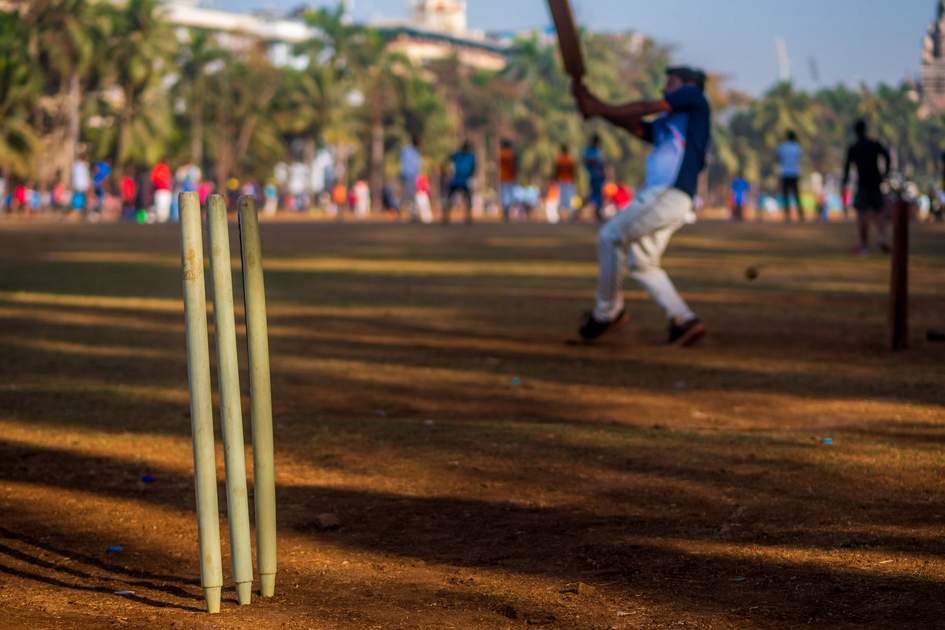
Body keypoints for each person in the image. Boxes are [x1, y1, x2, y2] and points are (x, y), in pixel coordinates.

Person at [571, 65, 710, 346]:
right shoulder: (670, 123)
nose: (664, 88)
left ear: (688, 85)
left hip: (669, 192)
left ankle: (607, 312)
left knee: (610, 236)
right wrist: (596, 107)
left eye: (670, 82)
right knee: (643, 263)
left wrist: (597, 106)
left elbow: (645, 108)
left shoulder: (693, 97)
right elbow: (636, 125)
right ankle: (684, 320)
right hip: (671, 198)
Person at [842, 119, 891, 255]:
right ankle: (882, 238)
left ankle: (864, 245)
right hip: (875, 182)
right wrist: (885, 174)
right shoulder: (874, 144)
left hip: (862, 184)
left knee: (862, 214)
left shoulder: (854, 147)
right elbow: (887, 156)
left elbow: (847, 167)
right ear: (865, 129)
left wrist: (844, 183)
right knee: (879, 211)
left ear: (855, 131)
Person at [445, 141, 476, 224]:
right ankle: (447, 217)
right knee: (452, 199)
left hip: (462, 181)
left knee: (467, 199)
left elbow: (473, 168)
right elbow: (473, 168)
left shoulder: (466, 156)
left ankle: (468, 217)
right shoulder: (466, 156)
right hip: (457, 180)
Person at [777, 131, 803, 222]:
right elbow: (798, 157)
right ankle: (800, 214)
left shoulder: (782, 147)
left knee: (786, 195)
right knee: (796, 194)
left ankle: (787, 215)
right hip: (794, 173)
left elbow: (779, 158)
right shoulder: (797, 147)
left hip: (785, 173)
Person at [583, 134, 607, 222]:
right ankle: (592, 210)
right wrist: (597, 161)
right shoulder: (590, 151)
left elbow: (603, 164)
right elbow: (587, 161)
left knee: (599, 194)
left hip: (599, 176)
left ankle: (597, 211)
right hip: (593, 176)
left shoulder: (598, 151)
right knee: (594, 194)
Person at [400, 135, 422, 219]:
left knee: (410, 195)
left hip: (412, 176)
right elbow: (406, 164)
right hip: (408, 176)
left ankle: (412, 213)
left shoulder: (415, 151)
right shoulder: (408, 150)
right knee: (408, 195)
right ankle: (405, 212)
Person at [554, 145, 577, 219]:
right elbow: (573, 170)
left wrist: (556, 178)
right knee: (569, 198)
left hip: (562, 181)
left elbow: (556, 171)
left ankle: (560, 214)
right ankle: (570, 215)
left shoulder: (559, 160)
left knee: (562, 198)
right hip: (569, 181)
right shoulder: (570, 159)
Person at [498, 139, 517, 222]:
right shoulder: (511, 154)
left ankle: (505, 213)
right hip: (510, 178)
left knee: (504, 196)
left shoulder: (500, 154)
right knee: (509, 197)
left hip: (503, 178)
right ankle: (507, 213)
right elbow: (515, 166)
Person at [151, 158, 173, 223]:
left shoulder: (165, 168)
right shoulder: (158, 168)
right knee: (160, 211)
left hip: (166, 191)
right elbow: (154, 179)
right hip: (160, 191)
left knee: (165, 211)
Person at [71, 151, 91, 215]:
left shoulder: (75, 165)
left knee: (78, 197)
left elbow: (73, 175)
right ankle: (77, 210)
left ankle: (77, 210)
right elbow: (85, 176)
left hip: (77, 184)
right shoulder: (83, 166)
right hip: (81, 184)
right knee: (79, 197)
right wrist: (88, 184)